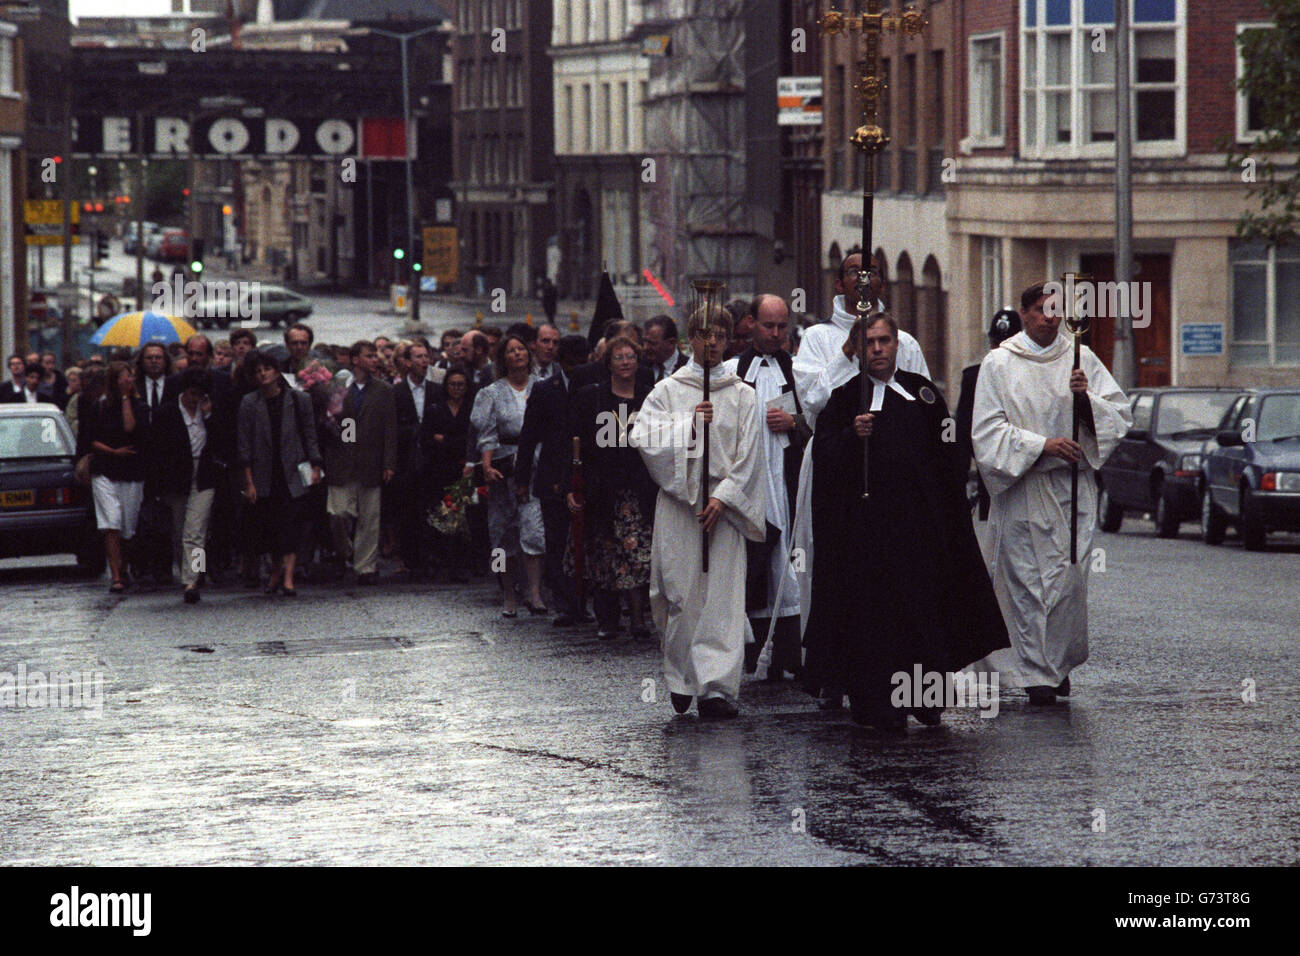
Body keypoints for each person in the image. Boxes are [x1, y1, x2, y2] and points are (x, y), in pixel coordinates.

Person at [813, 314, 1009, 731]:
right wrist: (852, 437)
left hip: (919, 531)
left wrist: (950, 507)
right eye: (870, 343)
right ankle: (876, 701)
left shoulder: (923, 396)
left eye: (885, 341)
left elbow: (950, 453)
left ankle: (926, 697)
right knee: (875, 619)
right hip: (866, 535)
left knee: (924, 613)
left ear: (897, 345)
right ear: (858, 350)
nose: (879, 349)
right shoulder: (845, 400)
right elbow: (824, 459)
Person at [972, 282, 1132, 705]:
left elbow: (1118, 414)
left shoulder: (1080, 357)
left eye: (1057, 311)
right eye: (1042, 311)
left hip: (1070, 488)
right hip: (1025, 488)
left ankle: (1056, 663)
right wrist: (1042, 445)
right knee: (1025, 582)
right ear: (1024, 313)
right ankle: (1034, 672)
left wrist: (1087, 400)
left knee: (1068, 580)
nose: (1050, 318)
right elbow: (987, 432)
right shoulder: (999, 364)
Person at [787, 250, 931, 708]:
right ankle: (832, 666)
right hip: (836, 470)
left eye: (871, 273)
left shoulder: (901, 340)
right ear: (840, 282)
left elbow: (922, 399)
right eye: (854, 272)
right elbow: (811, 402)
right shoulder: (816, 338)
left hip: (890, 471)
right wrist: (849, 352)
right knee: (833, 569)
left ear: (883, 285)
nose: (863, 280)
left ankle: (895, 667)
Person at [631, 306, 766, 719]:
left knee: (722, 599)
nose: (711, 343)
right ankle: (681, 677)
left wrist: (723, 497)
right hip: (680, 508)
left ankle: (717, 688)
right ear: (691, 338)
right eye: (704, 335)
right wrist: (689, 425)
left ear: (728, 341)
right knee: (679, 594)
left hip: (721, 514)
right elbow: (642, 435)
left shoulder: (743, 394)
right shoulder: (669, 390)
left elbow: (750, 455)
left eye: (720, 336)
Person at [723, 294, 810, 680]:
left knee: (791, 565)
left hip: (788, 483)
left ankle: (791, 654)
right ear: (750, 324)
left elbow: (822, 424)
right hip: (747, 486)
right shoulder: (729, 371)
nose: (775, 334)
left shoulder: (800, 371)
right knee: (752, 564)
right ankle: (750, 652)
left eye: (781, 326)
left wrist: (796, 424)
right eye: (767, 325)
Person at [569, 336, 657, 639]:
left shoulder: (649, 398)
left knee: (636, 555)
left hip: (636, 490)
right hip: (602, 490)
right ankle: (607, 620)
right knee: (606, 555)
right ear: (608, 363)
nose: (625, 363)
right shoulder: (591, 398)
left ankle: (637, 618)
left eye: (630, 356)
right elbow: (575, 443)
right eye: (618, 357)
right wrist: (573, 486)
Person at [516, 334, 592, 627]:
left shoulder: (595, 386)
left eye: (583, 362)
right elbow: (528, 437)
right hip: (552, 478)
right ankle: (566, 604)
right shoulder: (546, 390)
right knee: (557, 543)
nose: (578, 368)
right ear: (562, 362)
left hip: (587, 476)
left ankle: (585, 602)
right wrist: (522, 480)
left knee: (587, 543)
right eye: (573, 363)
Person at [472, 333, 546, 617]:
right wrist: (486, 465)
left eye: (521, 349)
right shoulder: (492, 393)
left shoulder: (542, 387)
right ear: (503, 358)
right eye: (511, 350)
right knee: (503, 535)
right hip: (504, 467)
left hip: (536, 467)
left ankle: (535, 593)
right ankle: (507, 594)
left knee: (534, 531)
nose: (518, 354)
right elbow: (486, 434)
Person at [237, 351, 323, 596]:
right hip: (265, 473)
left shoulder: (298, 399)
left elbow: (310, 435)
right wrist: (249, 482)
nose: (263, 374)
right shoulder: (250, 403)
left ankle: (288, 577)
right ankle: (276, 570)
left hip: (293, 471)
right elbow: (244, 445)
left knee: (292, 524)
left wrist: (315, 466)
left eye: (267, 369)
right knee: (269, 526)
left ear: (276, 372)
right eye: (258, 371)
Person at [322, 340, 397, 585]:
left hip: (371, 461)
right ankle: (346, 552)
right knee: (338, 513)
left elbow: (389, 428)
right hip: (342, 460)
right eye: (370, 355)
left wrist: (388, 462)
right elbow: (329, 421)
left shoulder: (384, 390)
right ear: (355, 360)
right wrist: (342, 431)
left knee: (369, 518)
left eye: (376, 355)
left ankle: (366, 566)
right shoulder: (340, 386)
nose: (375, 359)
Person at [149, 368, 222, 604]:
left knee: (196, 530)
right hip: (176, 475)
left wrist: (210, 417)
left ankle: (193, 577)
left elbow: (223, 439)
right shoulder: (166, 413)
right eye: (192, 394)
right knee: (180, 530)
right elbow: (157, 450)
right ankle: (187, 571)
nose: (195, 399)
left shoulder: (209, 411)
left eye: (200, 395)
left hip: (204, 473)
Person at [80, 360, 149, 593]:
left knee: (127, 526)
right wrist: (113, 451)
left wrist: (126, 399)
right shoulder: (99, 406)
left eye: (130, 376)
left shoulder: (139, 406)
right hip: (105, 469)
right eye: (123, 377)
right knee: (111, 521)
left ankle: (124, 565)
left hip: (131, 471)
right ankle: (116, 575)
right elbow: (90, 439)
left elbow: (131, 428)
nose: (127, 380)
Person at [956, 308, 1022, 521]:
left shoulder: (1030, 375)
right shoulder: (973, 376)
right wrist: (960, 477)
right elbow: (963, 429)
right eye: (996, 344)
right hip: (990, 470)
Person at [423, 366, 474, 582]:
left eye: (460, 384)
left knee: (464, 518)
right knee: (440, 516)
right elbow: (426, 439)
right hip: (439, 470)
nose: (456, 388)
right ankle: (439, 562)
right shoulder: (435, 408)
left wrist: (446, 440)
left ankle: (462, 564)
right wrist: (449, 442)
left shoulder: (472, 409)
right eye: (452, 384)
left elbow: (472, 440)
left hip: (465, 469)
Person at [393, 340, 439, 578]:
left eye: (426, 357)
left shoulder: (435, 390)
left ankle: (431, 557)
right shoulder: (396, 392)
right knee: (408, 511)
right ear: (408, 362)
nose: (424, 361)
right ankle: (411, 560)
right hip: (406, 461)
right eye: (418, 357)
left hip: (432, 459)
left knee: (431, 508)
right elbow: (390, 429)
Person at [641, 314, 687, 384]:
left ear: (671, 343)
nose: (645, 347)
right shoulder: (639, 366)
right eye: (644, 341)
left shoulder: (688, 369)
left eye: (652, 343)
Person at [135, 342, 171, 426]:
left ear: (165, 361)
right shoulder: (135, 386)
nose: (154, 361)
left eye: (158, 358)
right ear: (142, 361)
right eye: (149, 358)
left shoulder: (174, 385)